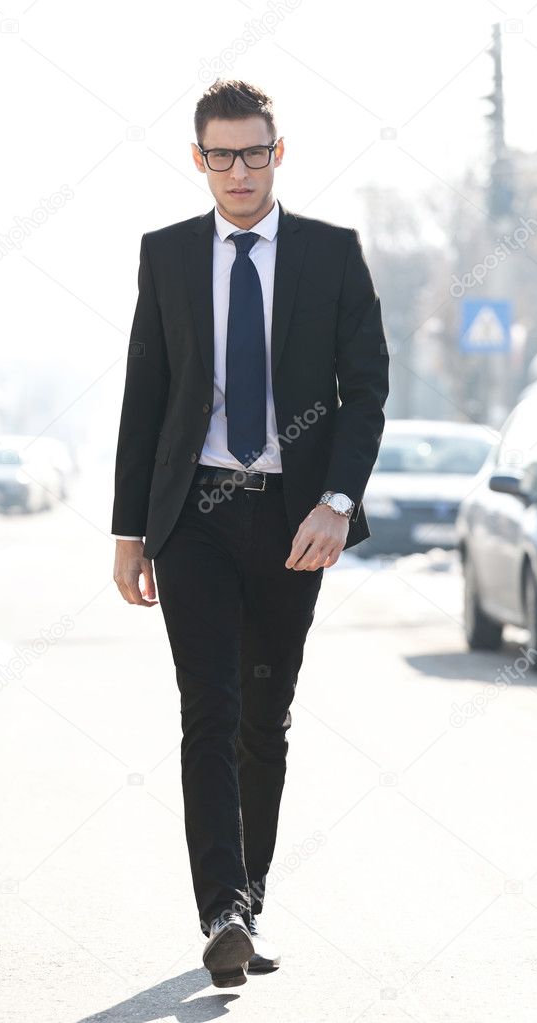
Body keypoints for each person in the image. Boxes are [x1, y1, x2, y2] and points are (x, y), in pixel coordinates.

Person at [111, 78, 389, 988]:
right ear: (198, 159)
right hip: (193, 511)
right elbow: (145, 398)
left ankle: (250, 892)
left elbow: (367, 392)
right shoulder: (166, 256)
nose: (239, 168)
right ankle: (222, 910)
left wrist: (337, 503)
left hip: (291, 516)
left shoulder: (333, 255)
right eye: (221, 153)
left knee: (263, 718)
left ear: (280, 152)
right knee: (211, 707)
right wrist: (128, 529)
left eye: (255, 150)